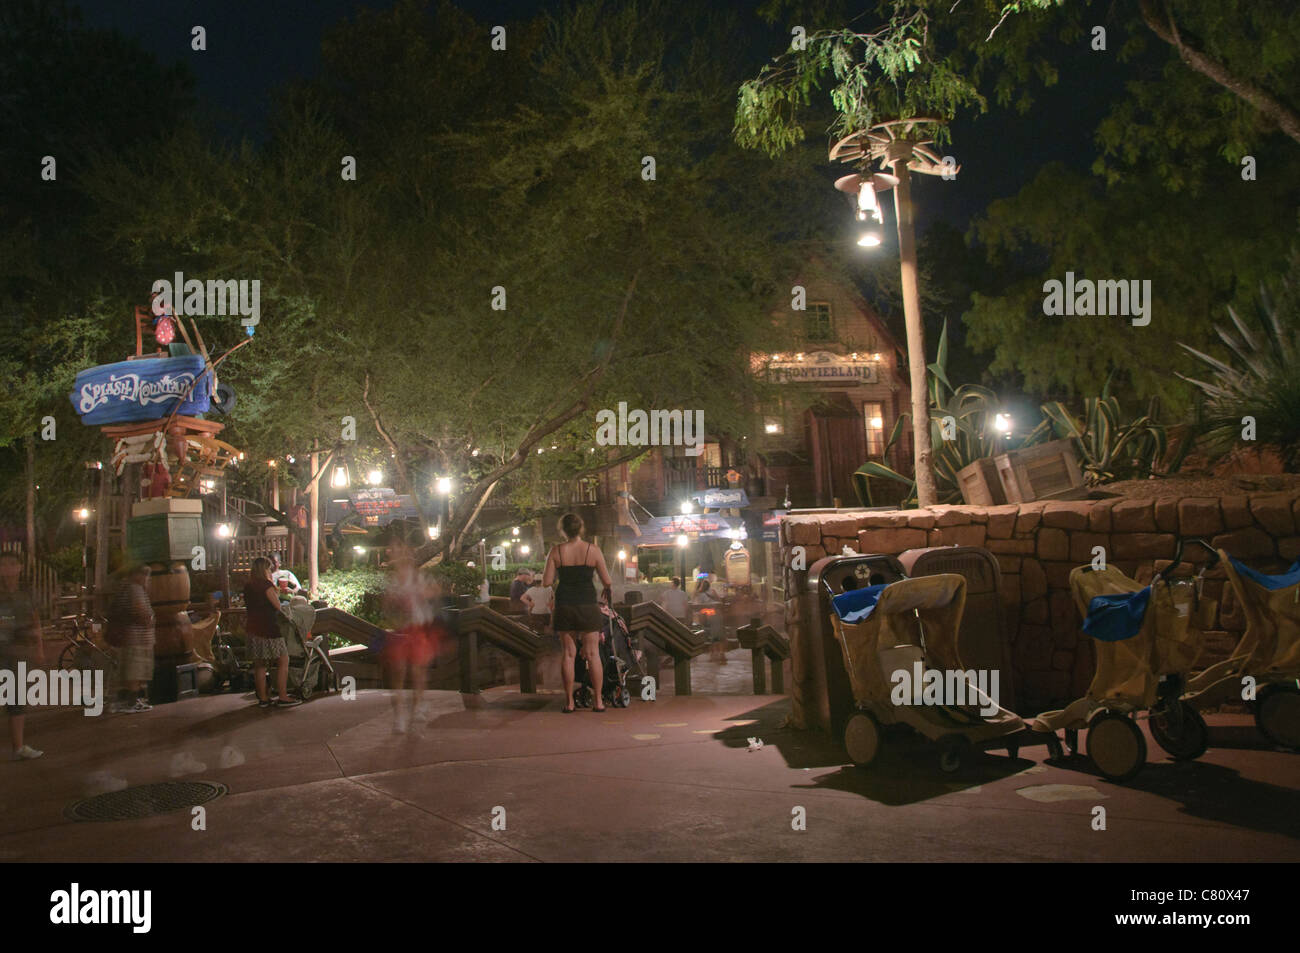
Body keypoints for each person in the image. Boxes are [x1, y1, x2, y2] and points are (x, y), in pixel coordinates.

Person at [542, 513, 613, 713]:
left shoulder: (556, 551)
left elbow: (546, 582)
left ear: (562, 530)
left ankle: (569, 703)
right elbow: (607, 580)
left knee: (568, 655)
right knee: (593, 654)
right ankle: (598, 701)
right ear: (581, 528)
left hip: (565, 604)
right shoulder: (593, 550)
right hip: (588, 605)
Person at [381, 543, 441, 733]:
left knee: (417, 672)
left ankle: (417, 707)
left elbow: (435, 592)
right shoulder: (394, 582)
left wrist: (423, 593)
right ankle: (400, 716)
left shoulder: (419, 579)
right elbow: (386, 605)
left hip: (418, 629)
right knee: (398, 673)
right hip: (400, 630)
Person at [0, 551, 43, 760]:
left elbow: (36, 621)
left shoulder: (27, 592)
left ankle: (18, 746)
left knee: (17, 698)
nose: (7, 568)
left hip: (19, 651)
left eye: (12, 564)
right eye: (3, 564)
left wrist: (39, 648)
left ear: (20, 567)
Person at [243, 556, 300, 708]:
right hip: (267, 628)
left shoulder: (248, 585)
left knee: (260, 664)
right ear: (264, 570)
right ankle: (282, 696)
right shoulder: (266, 586)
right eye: (268, 568)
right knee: (283, 659)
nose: (270, 570)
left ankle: (263, 699)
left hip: (252, 628)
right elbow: (277, 606)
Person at [108, 563, 156, 713]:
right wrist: (149, 619)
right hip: (136, 637)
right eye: (145, 575)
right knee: (135, 672)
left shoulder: (124, 587)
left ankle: (126, 702)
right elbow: (139, 610)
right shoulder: (134, 589)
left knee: (130, 671)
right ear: (137, 575)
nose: (147, 579)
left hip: (130, 637)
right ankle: (131, 702)